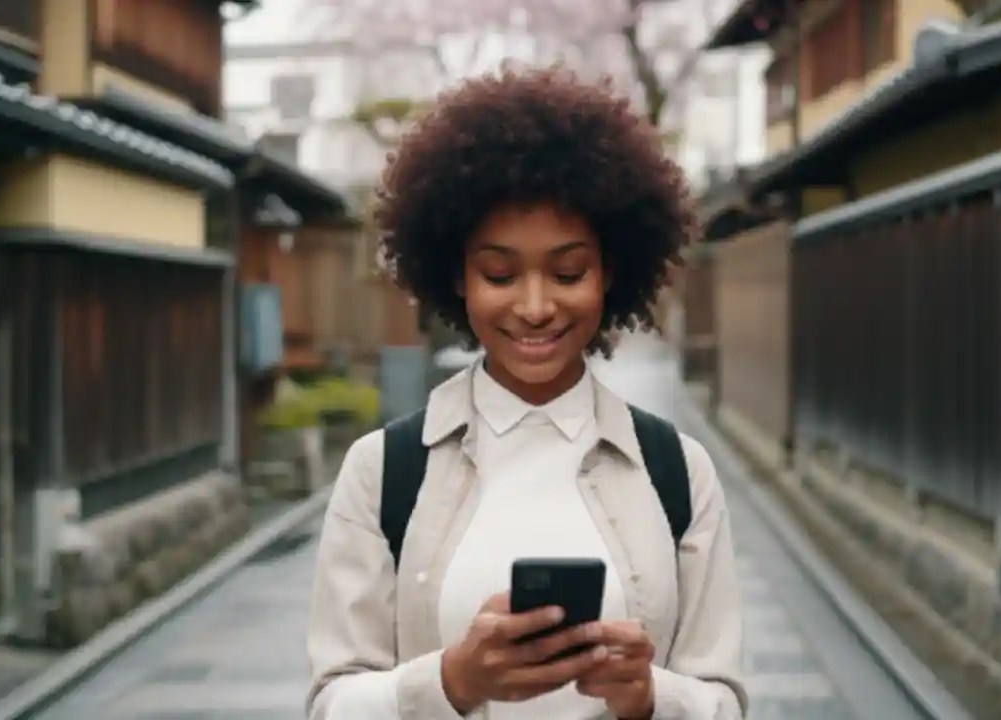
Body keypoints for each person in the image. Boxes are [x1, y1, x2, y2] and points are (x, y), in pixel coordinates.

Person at [305, 67, 747, 720]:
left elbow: (726, 703)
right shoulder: (383, 472)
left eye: (568, 272)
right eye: (499, 273)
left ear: (609, 272)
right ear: (457, 274)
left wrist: (654, 696)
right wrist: (452, 679)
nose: (535, 306)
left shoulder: (679, 471)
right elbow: (328, 704)